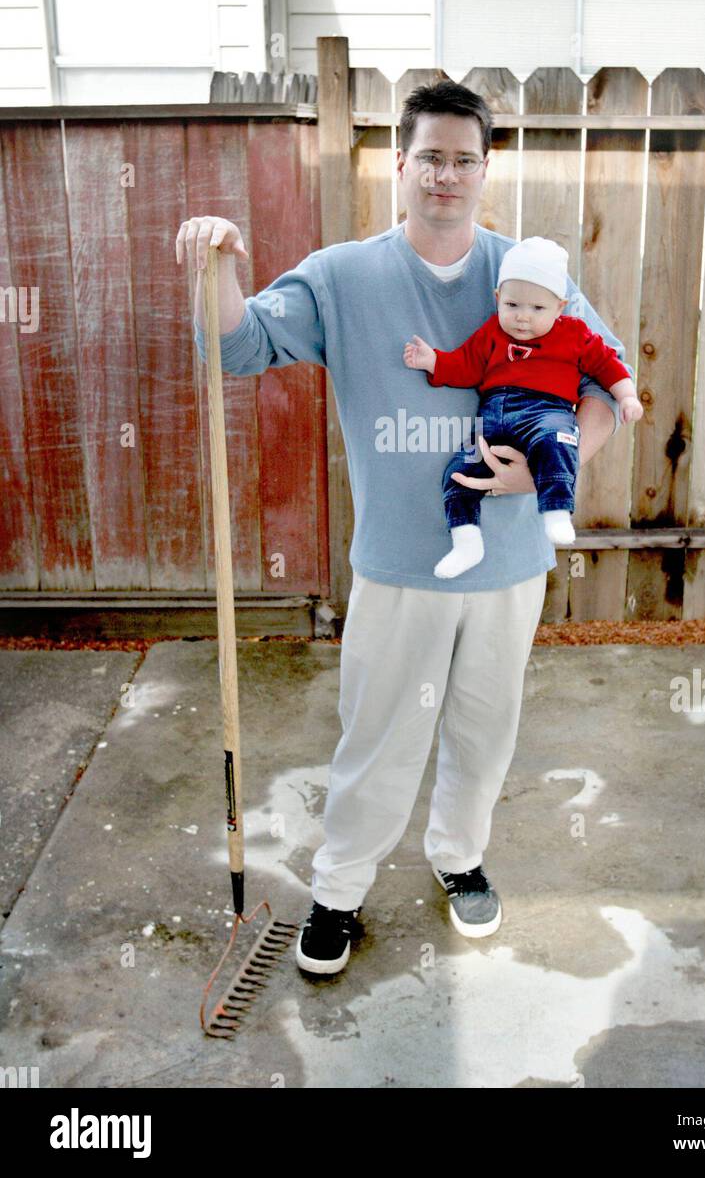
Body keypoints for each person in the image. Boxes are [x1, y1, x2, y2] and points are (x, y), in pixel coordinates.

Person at [178, 79, 635, 976]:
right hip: (397, 566)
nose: (446, 176)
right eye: (430, 156)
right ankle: (340, 891)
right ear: (400, 163)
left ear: (484, 171)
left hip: (506, 568)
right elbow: (235, 346)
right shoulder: (344, 276)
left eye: (465, 160)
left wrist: (554, 462)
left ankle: (460, 860)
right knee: (378, 736)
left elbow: (605, 393)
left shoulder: (530, 273)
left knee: (483, 728)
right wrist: (221, 263)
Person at [404, 235, 643, 577]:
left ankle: (557, 511)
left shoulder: (574, 334)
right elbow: (464, 365)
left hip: (547, 412)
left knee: (558, 443)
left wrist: (627, 396)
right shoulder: (492, 334)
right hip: (493, 418)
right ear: (498, 298)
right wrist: (432, 361)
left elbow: (608, 365)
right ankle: (466, 541)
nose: (522, 318)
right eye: (513, 305)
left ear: (560, 307)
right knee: (458, 472)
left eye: (537, 309)